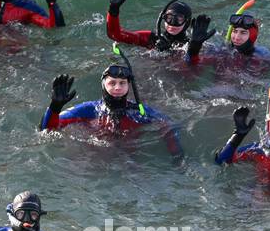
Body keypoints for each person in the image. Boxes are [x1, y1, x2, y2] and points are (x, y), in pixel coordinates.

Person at [40, 62, 184, 161]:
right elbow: (46, 130)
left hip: (129, 162)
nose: (117, 88)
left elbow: (168, 124)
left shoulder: (139, 112)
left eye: (122, 83)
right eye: (112, 83)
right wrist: (55, 107)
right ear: (103, 85)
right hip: (93, 161)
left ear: (129, 86)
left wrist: (177, 156)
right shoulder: (89, 110)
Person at [186, 2, 270, 80]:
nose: (236, 37)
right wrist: (194, 49)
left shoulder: (264, 56)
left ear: (253, 36)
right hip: (216, 96)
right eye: (235, 31)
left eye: (243, 32)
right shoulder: (221, 52)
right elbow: (192, 68)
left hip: (248, 99)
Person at [106, 0, 196, 52]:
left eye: (178, 19)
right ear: (163, 17)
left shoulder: (191, 45)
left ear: (187, 23)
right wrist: (114, 8)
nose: (172, 23)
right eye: (169, 18)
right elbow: (115, 35)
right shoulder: (151, 39)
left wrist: (195, 47)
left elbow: (194, 67)